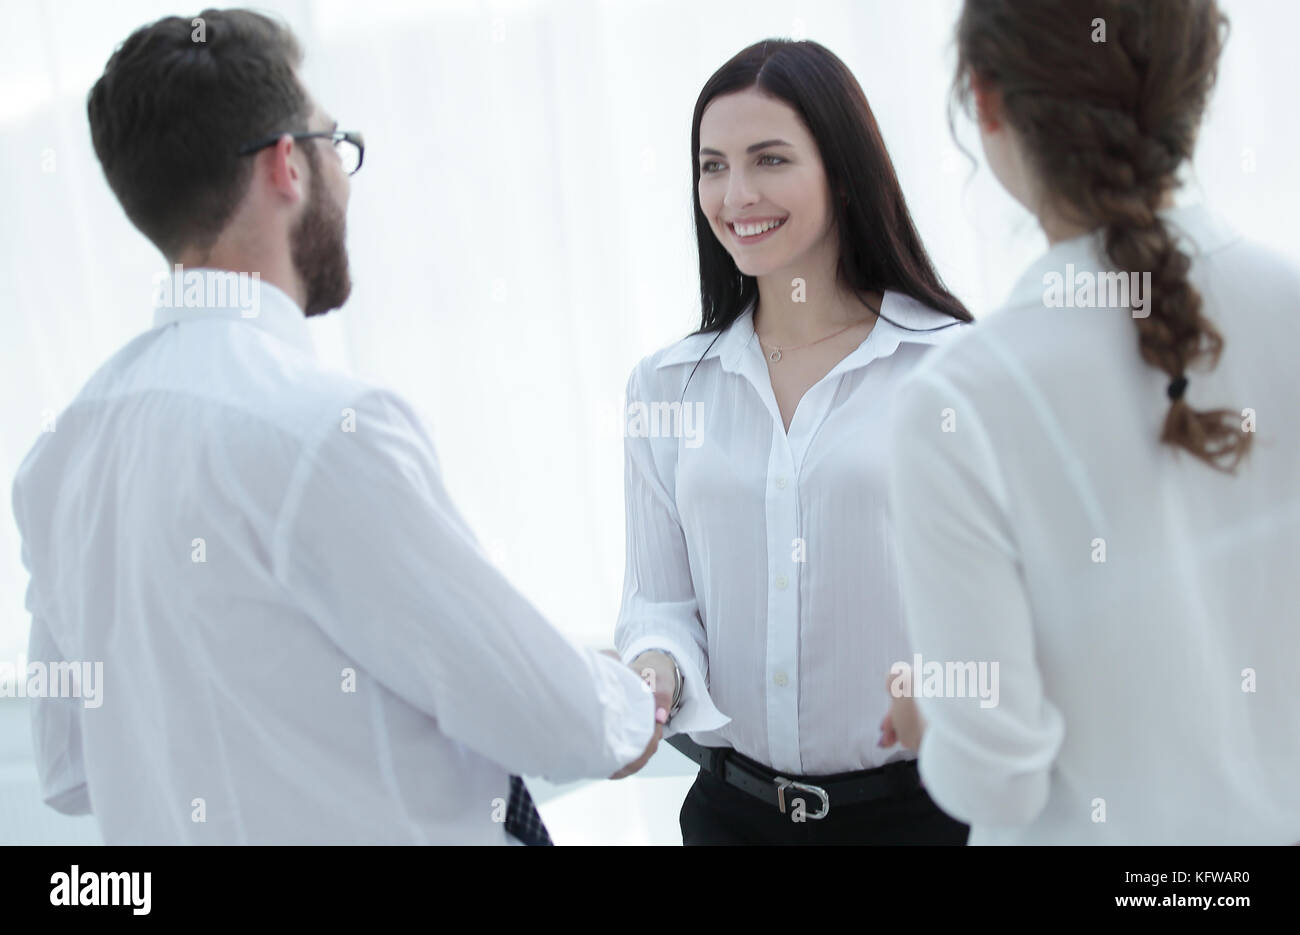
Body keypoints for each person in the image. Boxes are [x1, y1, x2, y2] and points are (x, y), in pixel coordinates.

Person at [11, 8, 661, 845]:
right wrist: (626, 695)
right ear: (287, 164)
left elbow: (69, 769)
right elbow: (558, 718)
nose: (344, 177)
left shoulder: (59, 459)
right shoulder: (326, 431)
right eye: (333, 144)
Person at [881, 0, 1300, 844]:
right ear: (1195, 86)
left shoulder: (954, 403)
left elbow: (1000, 782)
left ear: (985, 97)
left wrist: (933, 713)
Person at [616, 38, 972, 844]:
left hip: (921, 817)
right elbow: (660, 604)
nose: (735, 193)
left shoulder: (956, 371)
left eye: (769, 159)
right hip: (729, 817)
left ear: (842, 172)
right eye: (712, 165)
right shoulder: (666, 387)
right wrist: (655, 670)